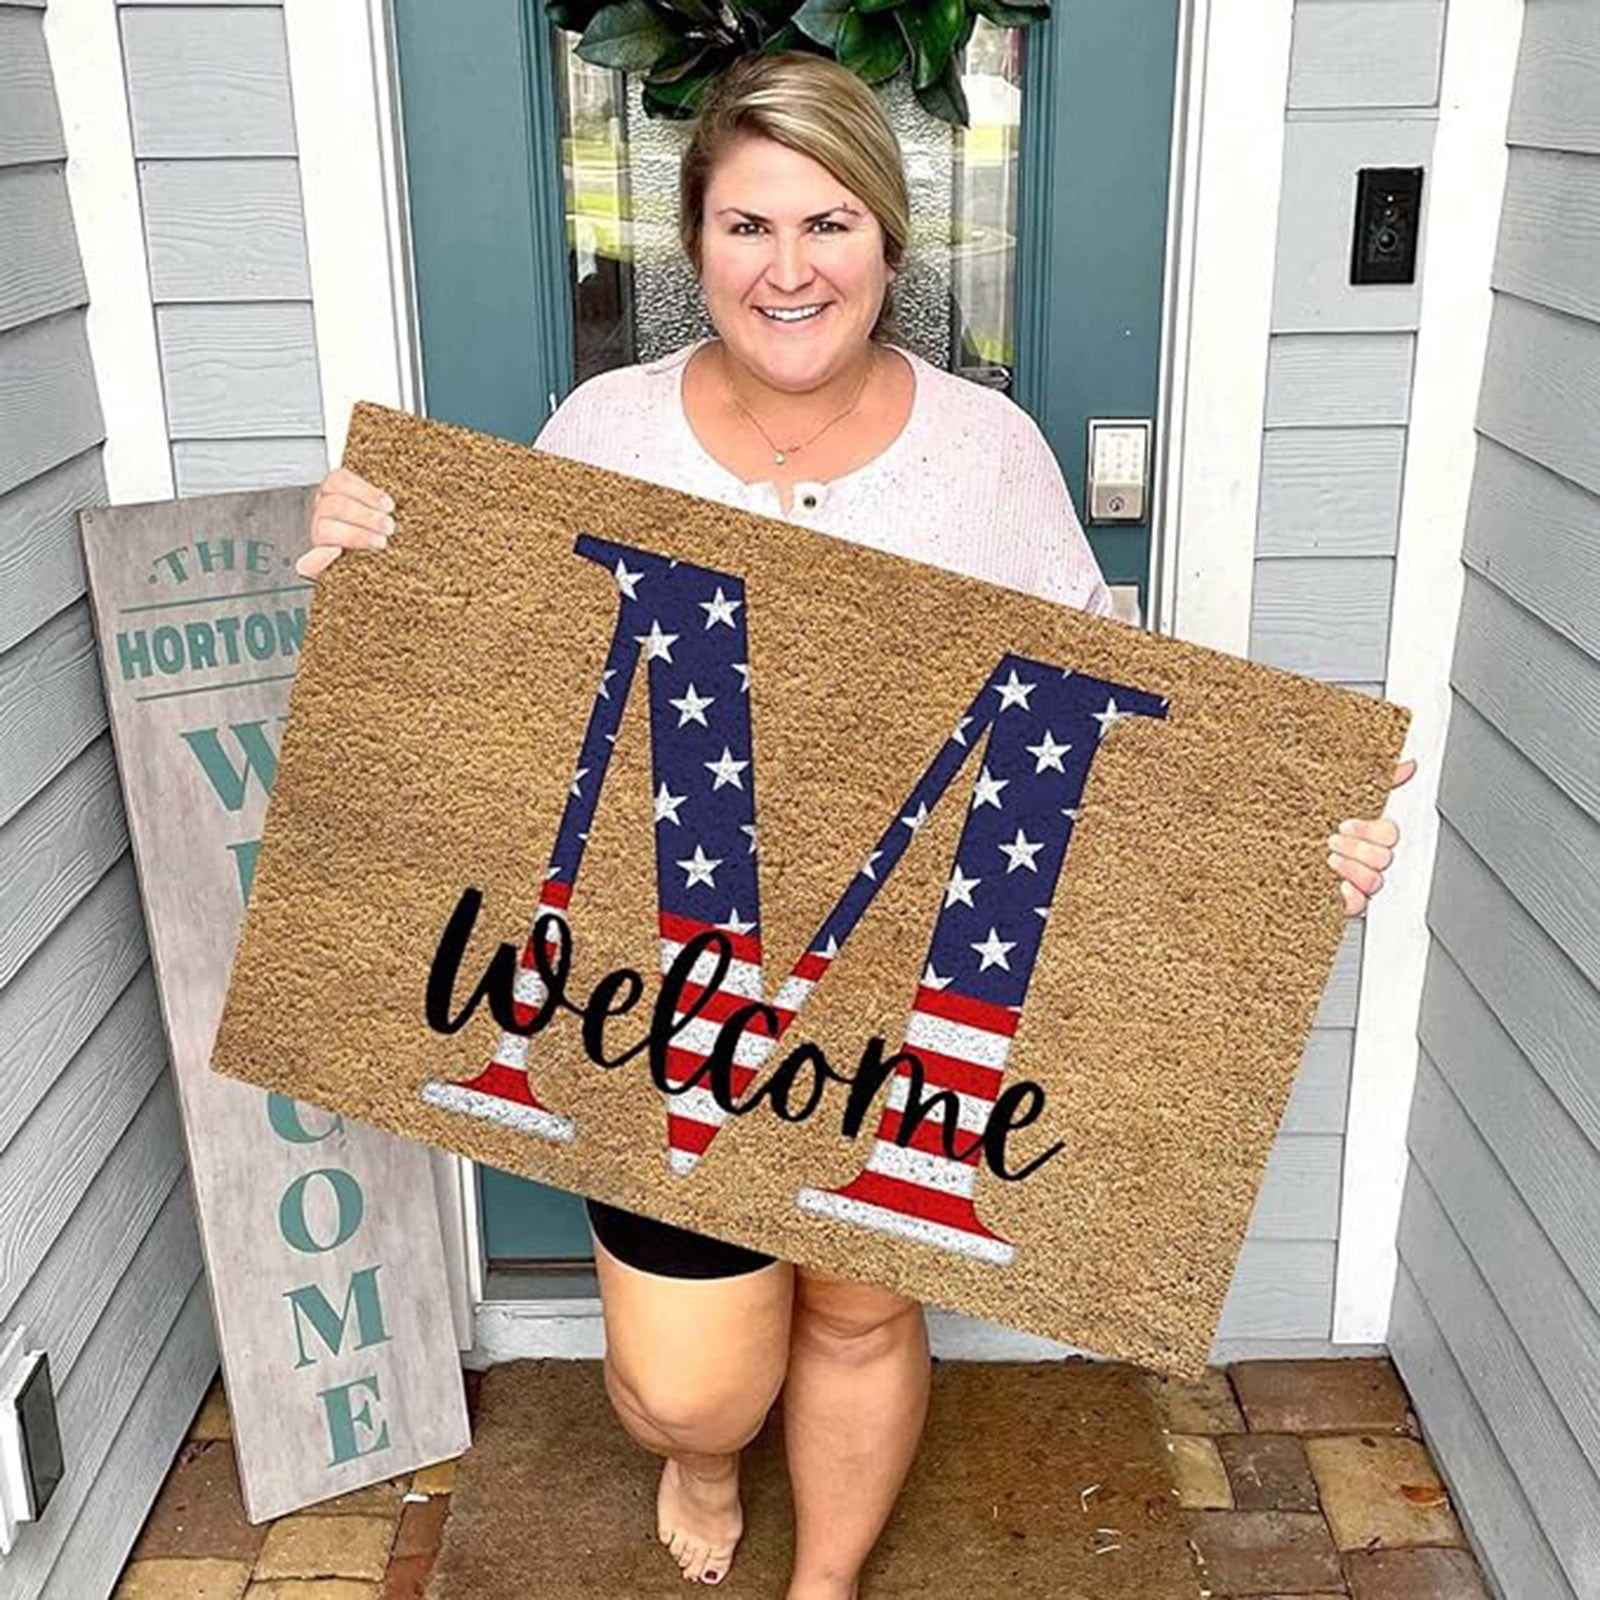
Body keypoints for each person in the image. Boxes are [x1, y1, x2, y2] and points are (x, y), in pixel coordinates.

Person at [298, 51, 1412, 1598]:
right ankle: (703, 1454)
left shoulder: (988, 455)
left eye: (828, 223)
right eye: (749, 227)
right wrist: (380, 553)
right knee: (694, 1384)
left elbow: (1110, 732)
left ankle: (824, 1580)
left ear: (889, 242)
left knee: (867, 1306)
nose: (790, 267)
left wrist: (1292, 851)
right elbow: (507, 676)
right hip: (663, 982)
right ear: (693, 248)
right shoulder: (606, 428)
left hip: (901, 980)